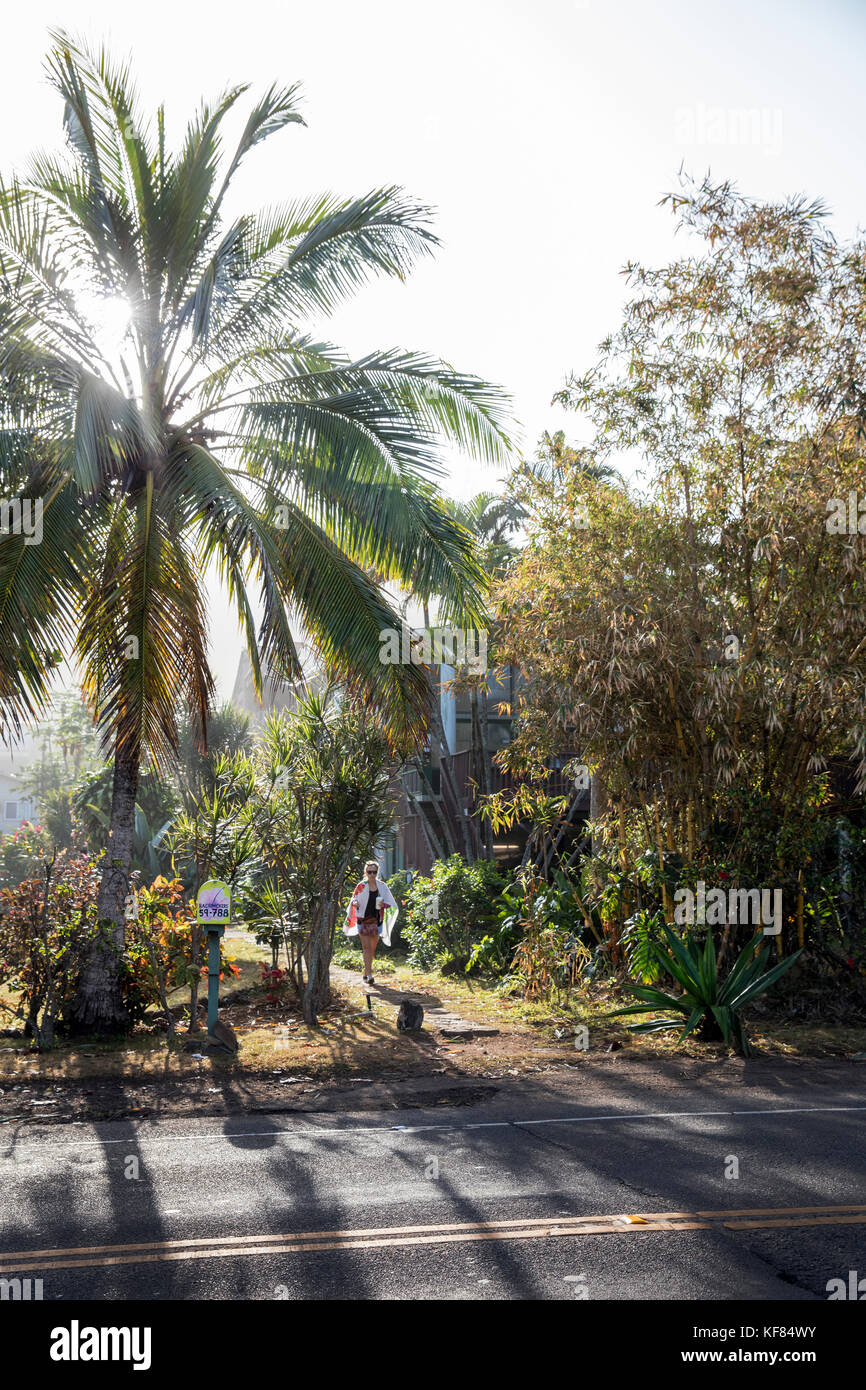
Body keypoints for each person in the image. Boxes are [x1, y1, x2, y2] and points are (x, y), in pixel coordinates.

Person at [344, 860, 398, 985]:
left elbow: (392, 903)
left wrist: (384, 905)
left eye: (374, 872)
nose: (372, 874)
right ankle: (369, 975)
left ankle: (365, 971)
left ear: (377, 872)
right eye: (369, 872)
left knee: (372, 949)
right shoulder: (361, 886)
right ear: (366, 872)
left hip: (377, 921)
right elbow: (354, 900)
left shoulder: (382, 886)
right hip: (363, 920)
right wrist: (355, 903)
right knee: (366, 947)